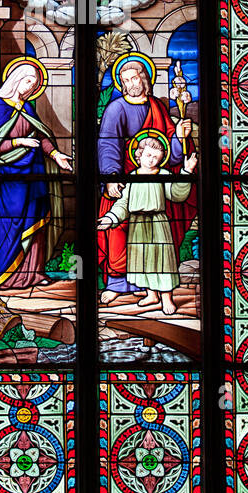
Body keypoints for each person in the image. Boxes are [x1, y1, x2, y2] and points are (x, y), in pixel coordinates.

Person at [97, 55, 196, 298]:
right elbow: (107, 145)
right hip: (123, 178)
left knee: (154, 239)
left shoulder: (157, 106)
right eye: (125, 79)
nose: (131, 83)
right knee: (118, 229)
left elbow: (169, 152)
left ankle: (150, 284)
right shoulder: (115, 108)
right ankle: (118, 283)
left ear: (145, 78)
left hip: (153, 177)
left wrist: (180, 138)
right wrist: (111, 177)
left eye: (135, 77)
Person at [0, 59, 72, 291]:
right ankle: (4, 276)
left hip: (33, 173)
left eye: (35, 83)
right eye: (28, 81)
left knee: (34, 219)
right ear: (16, 79)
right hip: (5, 178)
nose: (30, 86)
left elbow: (41, 136)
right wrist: (18, 141)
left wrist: (56, 155)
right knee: (7, 225)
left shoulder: (28, 108)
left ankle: (33, 273)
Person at [97, 133, 197, 315]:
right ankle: (151, 295)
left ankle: (166, 297)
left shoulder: (164, 174)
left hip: (158, 223)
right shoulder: (132, 177)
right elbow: (123, 204)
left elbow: (177, 194)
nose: (152, 160)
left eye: (156, 157)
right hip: (137, 224)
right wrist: (110, 218)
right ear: (139, 155)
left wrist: (187, 172)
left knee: (162, 262)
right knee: (143, 262)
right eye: (148, 155)